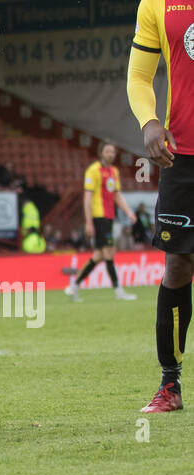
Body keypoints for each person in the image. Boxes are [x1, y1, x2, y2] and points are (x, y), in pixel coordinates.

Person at [129, 0, 193, 412]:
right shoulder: (157, 2)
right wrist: (149, 120)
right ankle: (170, 385)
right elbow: (139, 74)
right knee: (177, 266)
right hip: (182, 155)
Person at [65, 143, 137, 301]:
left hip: (109, 216)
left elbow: (117, 195)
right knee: (109, 253)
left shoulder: (114, 172)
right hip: (99, 217)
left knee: (98, 256)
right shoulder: (93, 170)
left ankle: (74, 286)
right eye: (107, 151)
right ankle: (118, 291)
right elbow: (87, 197)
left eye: (113, 151)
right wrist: (89, 222)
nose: (110, 154)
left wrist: (128, 212)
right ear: (101, 153)